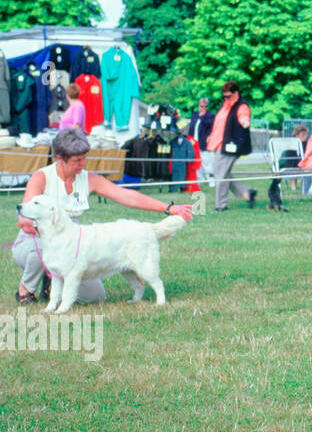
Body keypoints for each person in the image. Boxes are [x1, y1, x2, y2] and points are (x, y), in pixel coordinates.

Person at [12, 126, 194, 306]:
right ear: (60, 158)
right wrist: (54, 234)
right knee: (42, 250)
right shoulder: (41, 178)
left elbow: (127, 196)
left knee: (94, 296)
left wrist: (168, 208)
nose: (82, 164)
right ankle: (25, 290)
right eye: (77, 160)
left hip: (74, 246)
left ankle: (52, 284)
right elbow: (25, 221)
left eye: (84, 158)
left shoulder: (88, 179)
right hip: (35, 240)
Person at [205, 81, 258, 212]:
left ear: (236, 93)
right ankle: (247, 193)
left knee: (221, 175)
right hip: (218, 144)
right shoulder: (225, 105)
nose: (226, 99)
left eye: (228, 96)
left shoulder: (242, 106)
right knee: (223, 173)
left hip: (231, 145)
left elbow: (243, 116)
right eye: (224, 96)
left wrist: (245, 121)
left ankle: (221, 205)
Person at [188, 97, 216, 182]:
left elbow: (209, 125)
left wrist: (203, 115)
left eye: (205, 106)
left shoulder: (210, 116)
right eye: (201, 106)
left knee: (207, 163)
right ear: (198, 106)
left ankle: (211, 180)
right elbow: (191, 129)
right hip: (194, 143)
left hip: (204, 144)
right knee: (197, 163)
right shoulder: (194, 115)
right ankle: (200, 179)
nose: (203, 108)